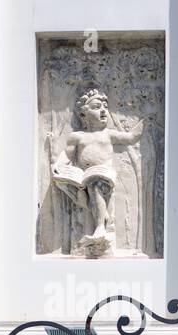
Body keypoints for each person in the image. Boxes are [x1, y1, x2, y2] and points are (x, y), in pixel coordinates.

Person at [51, 89, 145, 250]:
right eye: (96, 106)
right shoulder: (77, 136)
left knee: (95, 183)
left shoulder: (108, 134)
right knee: (66, 183)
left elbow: (130, 138)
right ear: (83, 115)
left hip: (103, 175)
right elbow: (67, 155)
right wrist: (58, 166)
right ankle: (96, 210)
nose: (103, 110)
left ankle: (100, 226)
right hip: (82, 178)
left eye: (105, 107)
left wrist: (146, 120)